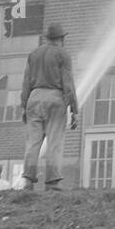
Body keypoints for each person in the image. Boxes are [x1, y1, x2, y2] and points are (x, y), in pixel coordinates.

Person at [20, 22, 78, 192]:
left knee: (32, 143)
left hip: (34, 98)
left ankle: (28, 181)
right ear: (61, 39)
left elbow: (25, 82)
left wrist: (24, 106)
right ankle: (52, 182)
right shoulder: (63, 55)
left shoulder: (33, 54)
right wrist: (75, 110)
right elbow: (69, 84)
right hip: (55, 99)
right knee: (54, 142)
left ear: (47, 38)